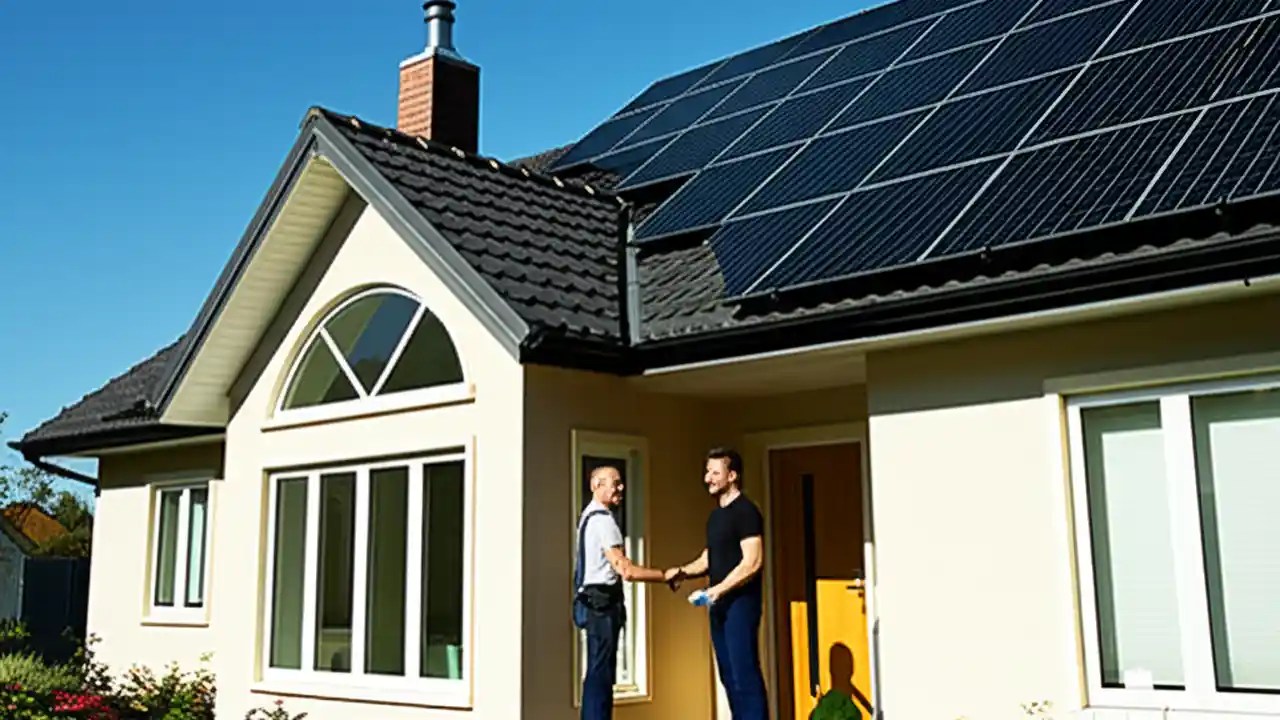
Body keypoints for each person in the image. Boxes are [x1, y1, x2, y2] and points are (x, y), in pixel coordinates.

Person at [666, 447, 768, 720]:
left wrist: (716, 590)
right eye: (707, 472)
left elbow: (752, 561)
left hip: (740, 605)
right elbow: (710, 557)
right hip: (719, 605)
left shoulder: (746, 512)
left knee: (744, 674)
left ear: (732, 475)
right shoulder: (715, 517)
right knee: (728, 676)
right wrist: (683, 572)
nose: (708, 478)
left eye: (714, 472)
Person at [575, 464, 667, 720]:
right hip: (602, 604)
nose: (620, 488)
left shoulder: (587, 517)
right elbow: (624, 569)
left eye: (621, 482)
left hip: (591, 602)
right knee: (601, 676)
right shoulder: (603, 521)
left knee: (596, 672)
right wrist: (666, 575)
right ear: (596, 485)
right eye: (614, 483)